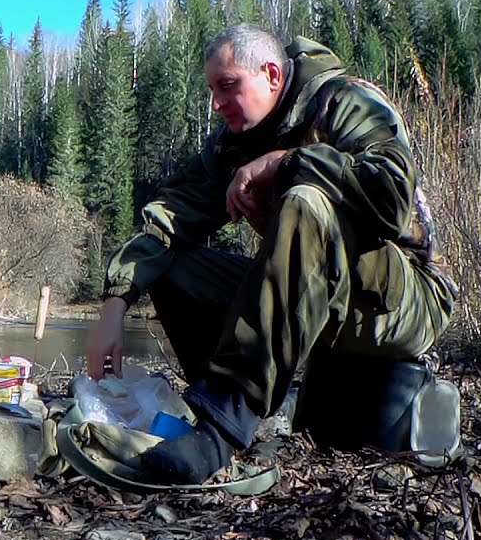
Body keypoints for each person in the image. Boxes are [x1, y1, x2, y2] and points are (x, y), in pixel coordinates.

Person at [84, 24, 459, 484]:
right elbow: (171, 216)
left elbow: (392, 197)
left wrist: (286, 162)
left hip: (405, 299)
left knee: (306, 200)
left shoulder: (343, 101)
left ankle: (225, 424)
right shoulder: (232, 144)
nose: (217, 104)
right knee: (172, 264)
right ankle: (234, 404)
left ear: (272, 75)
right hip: (320, 296)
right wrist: (114, 305)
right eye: (212, 91)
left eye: (228, 86)